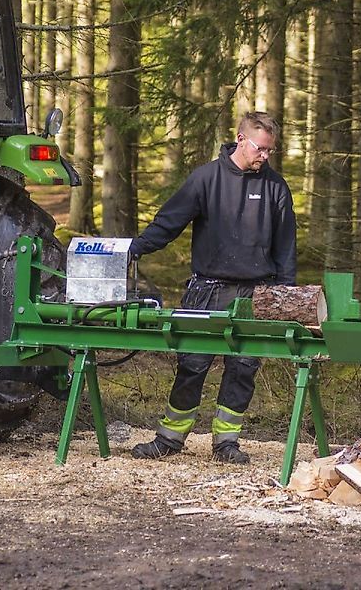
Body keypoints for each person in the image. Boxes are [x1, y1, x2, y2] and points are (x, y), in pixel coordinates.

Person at [130, 111, 297, 464]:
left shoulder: (276, 188)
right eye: (260, 149)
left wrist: (284, 295)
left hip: (257, 294)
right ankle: (170, 438)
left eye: (270, 151)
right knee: (192, 364)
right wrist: (133, 249)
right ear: (241, 139)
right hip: (207, 290)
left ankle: (226, 443)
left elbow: (285, 249)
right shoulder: (206, 179)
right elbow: (169, 223)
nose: (265, 157)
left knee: (243, 369)